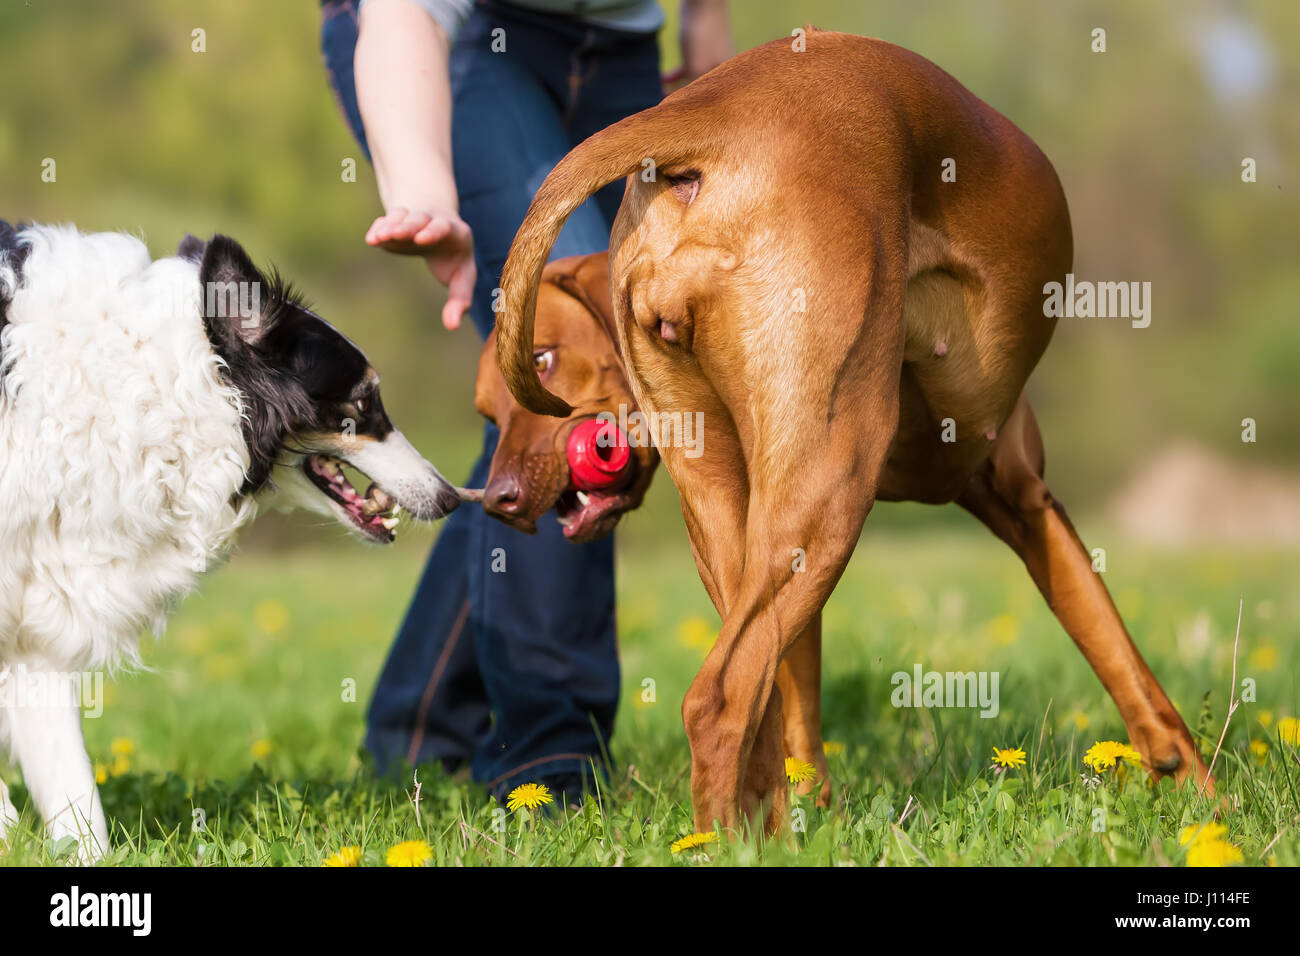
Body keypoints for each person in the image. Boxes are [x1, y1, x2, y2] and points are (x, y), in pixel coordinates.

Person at [319, 0, 733, 804]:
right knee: (568, 339)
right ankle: (548, 762)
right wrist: (425, 190)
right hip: (457, 47)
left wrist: (704, 22)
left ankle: (420, 726)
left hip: (622, 54)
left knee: (527, 442)